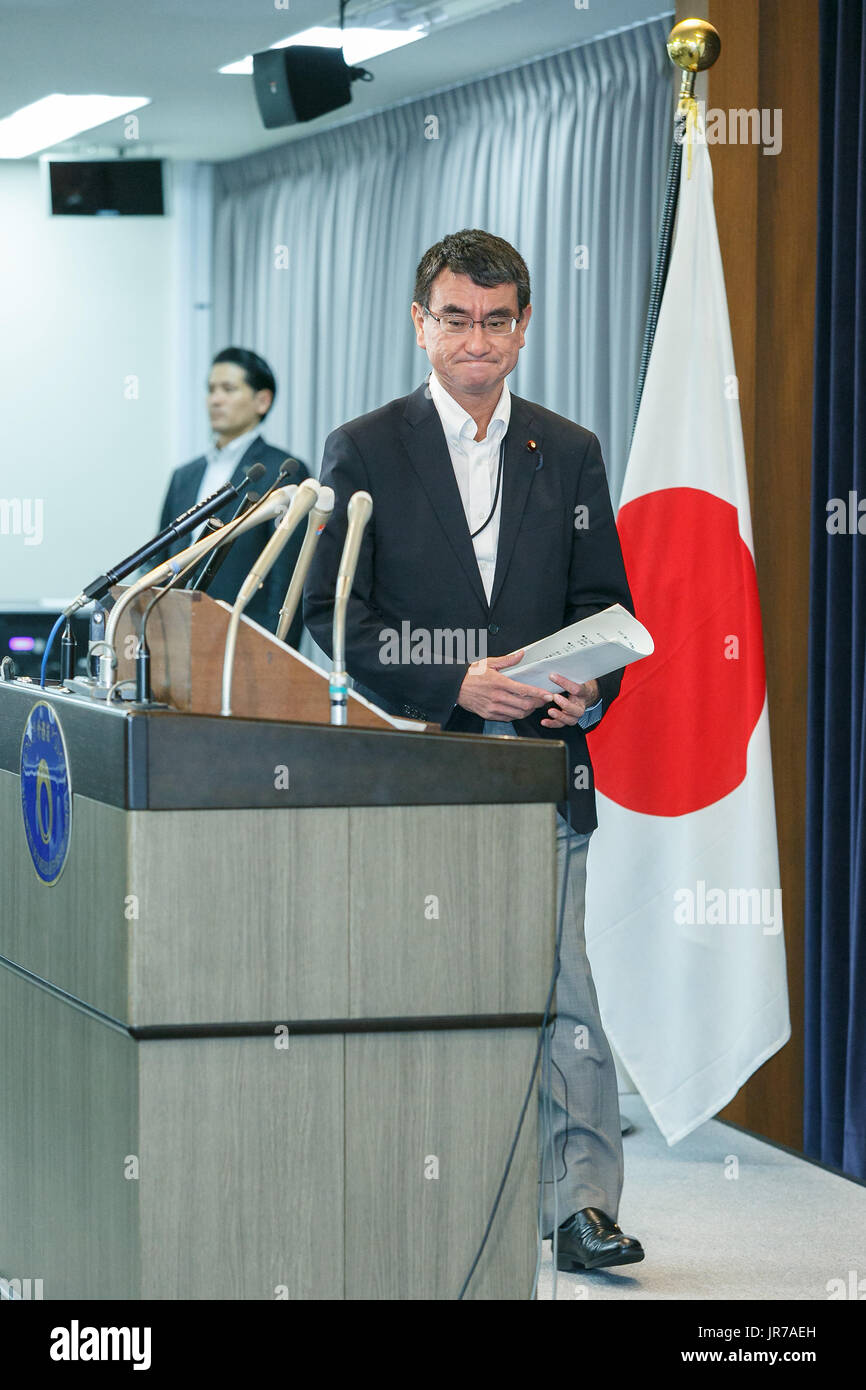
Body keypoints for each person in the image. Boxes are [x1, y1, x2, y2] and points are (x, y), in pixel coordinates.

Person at [304, 229, 643, 1273]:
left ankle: (581, 1208)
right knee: (423, 988)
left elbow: (604, 605)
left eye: (497, 321)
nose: (476, 341)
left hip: (542, 768)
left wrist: (591, 685)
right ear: (421, 324)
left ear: (523, 327)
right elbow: (330, 614)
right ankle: (421, 1201)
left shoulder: (569, 450)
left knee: (565, 992)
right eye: (455, 319)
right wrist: (453, 679)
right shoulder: (364, 448)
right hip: (420, 770)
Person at [157, 348, 308, 643]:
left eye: (228, 389)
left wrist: (274, 650)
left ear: (262, 401)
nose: (215, 399)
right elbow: (161, 559)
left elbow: (288, 577)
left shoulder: (282, 471)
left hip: (242, 638)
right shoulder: (184, 475)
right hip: (174, 634)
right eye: (211, 389)